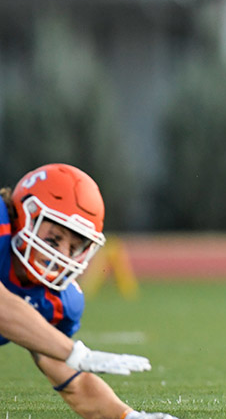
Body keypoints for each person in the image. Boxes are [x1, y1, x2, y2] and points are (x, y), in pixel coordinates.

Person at [1, 163, 178, 419]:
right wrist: (75, 352)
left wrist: (128, 416)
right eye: (54, 239)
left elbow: (74, 382)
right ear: (24, 215)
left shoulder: (59, 301)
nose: (62, 255)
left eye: (74, 247)